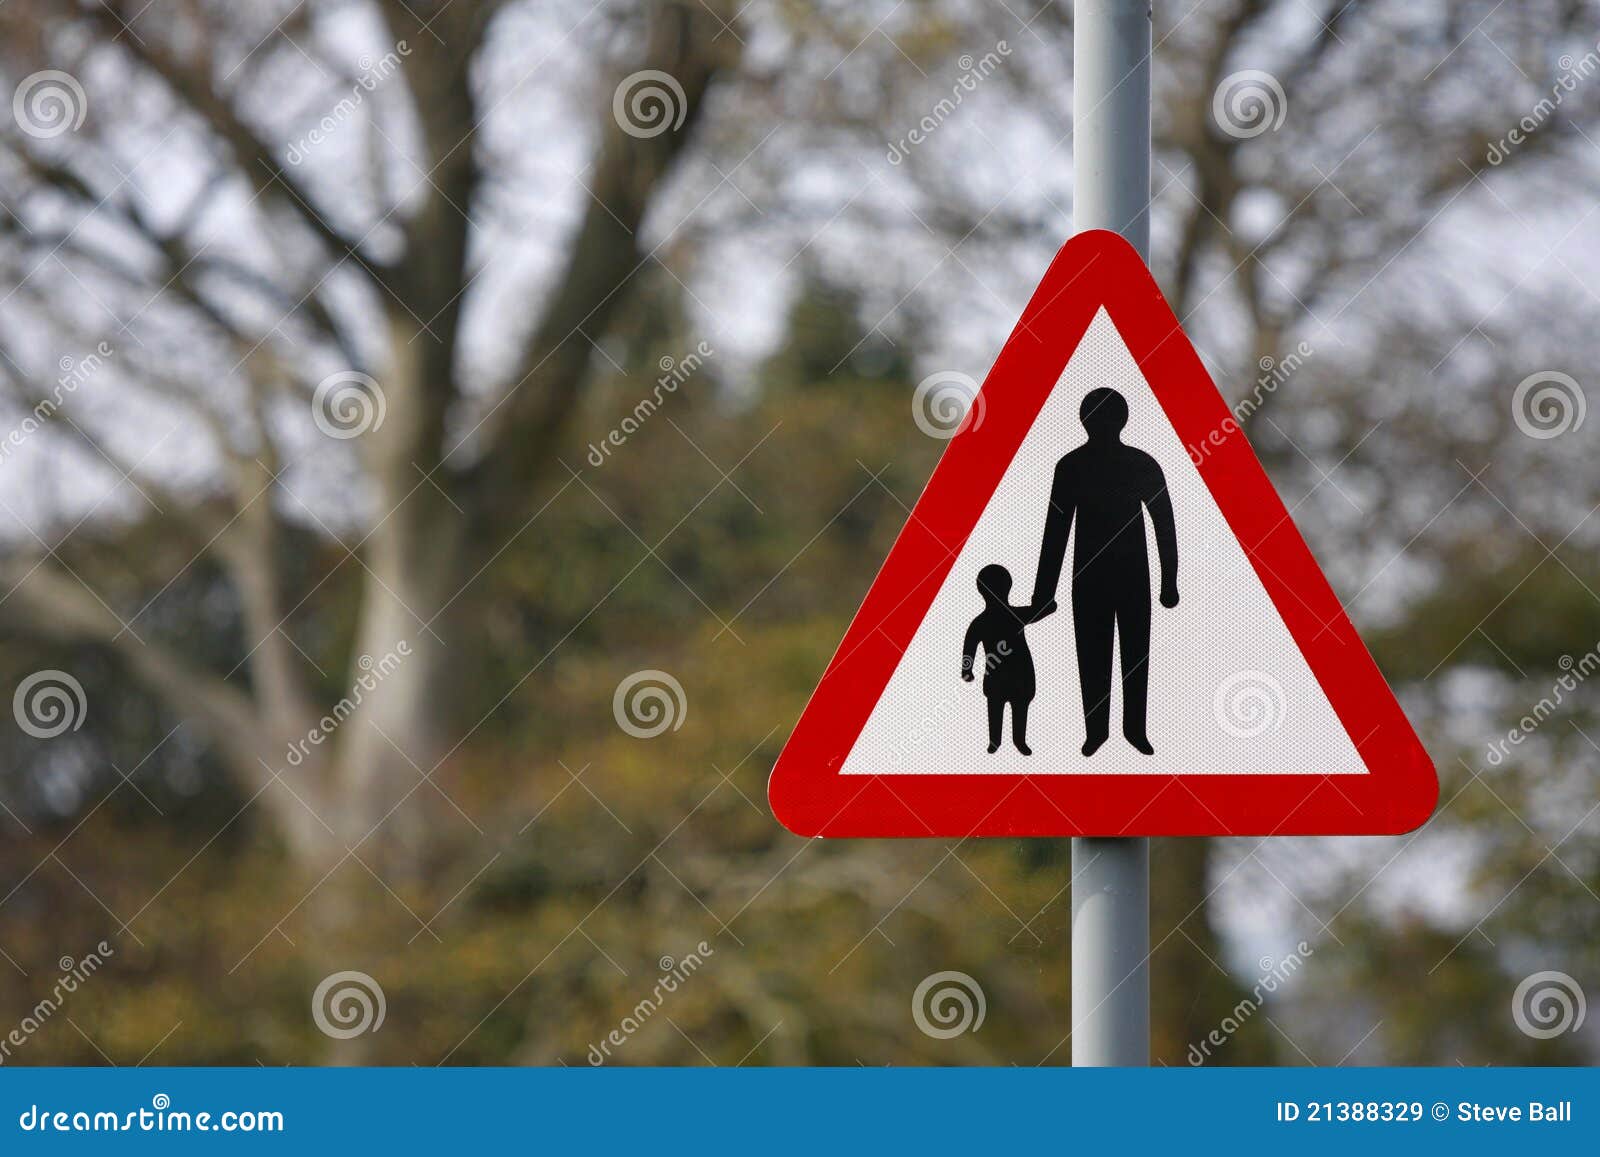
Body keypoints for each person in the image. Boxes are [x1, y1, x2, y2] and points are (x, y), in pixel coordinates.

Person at [1030, 387, 1178, 756]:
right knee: (1093, 655)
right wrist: (1043, 594)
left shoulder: (1140, 465)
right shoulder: (1072, 466)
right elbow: (1056, 530)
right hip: (1090, 579)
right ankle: (1097, 733)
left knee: (1133, 654)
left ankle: (1134, 731)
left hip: (1131, 578)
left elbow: (1164, 523)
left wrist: (1169, 581)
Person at [962, 564, 1057, 755]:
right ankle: (997, 742)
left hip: (1014, 676)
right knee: (999, 708)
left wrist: (967, 670)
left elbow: (969, 647)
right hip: (1006, 675)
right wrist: (966, 669)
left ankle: (1015, 741)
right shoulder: (1004, 617)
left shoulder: (987, 620)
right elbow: (970, 647)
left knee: (1015, 707)